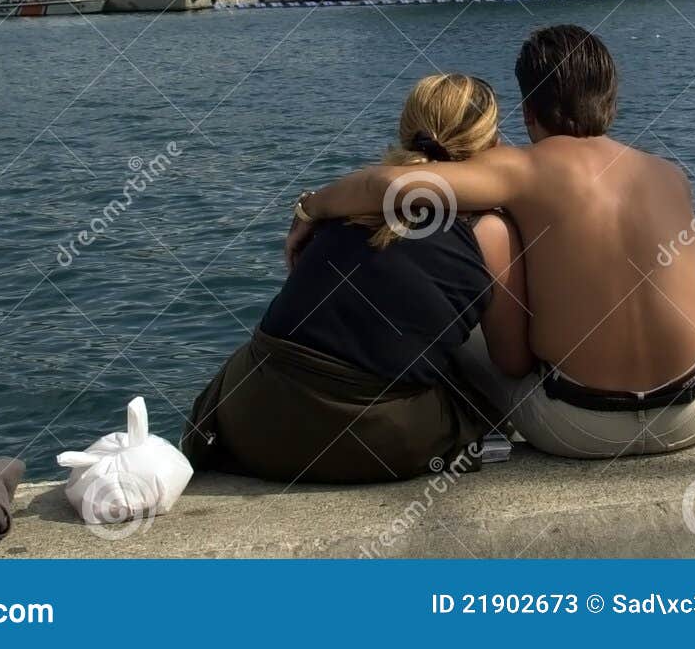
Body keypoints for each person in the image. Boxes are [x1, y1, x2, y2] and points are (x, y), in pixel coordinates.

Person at [300, 25, 695, 459]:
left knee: (472, 335)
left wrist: (309, 208)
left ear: (527, 111)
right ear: (612, 103)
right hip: (688, 416)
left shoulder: (520, 168)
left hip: (579, 428)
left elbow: (386, 186)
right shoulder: (671, 176)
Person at [183, 74, 530, 483]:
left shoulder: (348, 201)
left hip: (252, 424)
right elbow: (513, 361)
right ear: (490, 144)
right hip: (371, 441)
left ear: (407, 131)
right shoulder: (489, 233)